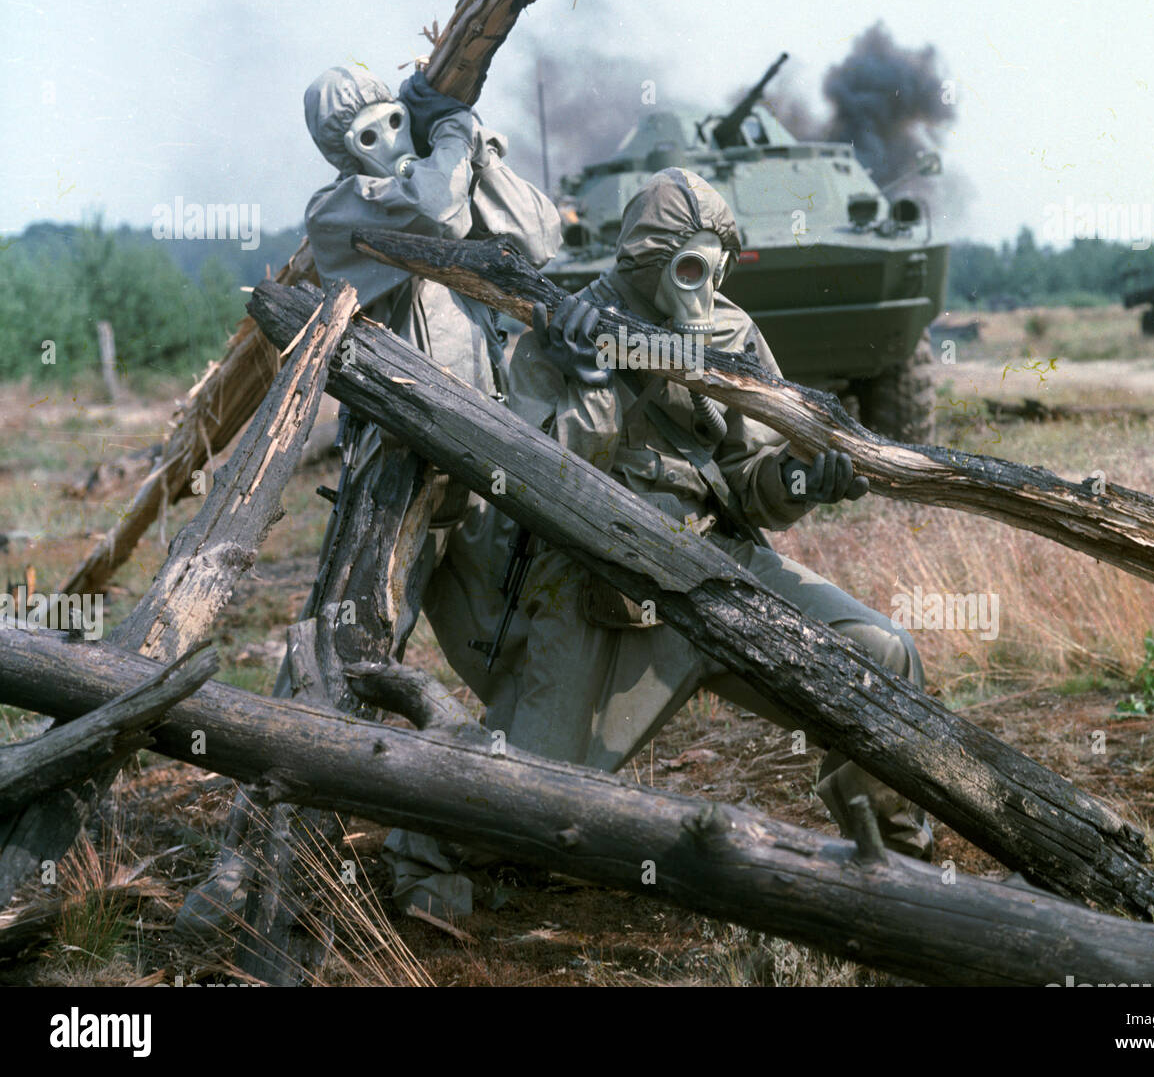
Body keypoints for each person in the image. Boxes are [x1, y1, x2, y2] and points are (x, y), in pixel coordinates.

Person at [428, 167, 933, 861]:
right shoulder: (561, 330)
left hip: (719, 567)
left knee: (881, 652)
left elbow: (751, 479)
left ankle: (896, 861)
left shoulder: (729, 328)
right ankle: (421, 865)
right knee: (515, 802)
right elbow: (538, 480)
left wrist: (802, 478)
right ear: (646, 259)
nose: (704, 286)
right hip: (599, 589)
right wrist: (597, 383)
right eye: (689, 266)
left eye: (714, 265)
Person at [303, 63, 562, 916]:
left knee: (513, 644)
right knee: (350, 660)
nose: (383, 145)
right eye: (362, 136)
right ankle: (293, 859)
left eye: (391, 123)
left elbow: (537, 239)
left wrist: (475, 139)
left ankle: (467, 841)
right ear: (338, 154)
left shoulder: (434, 171)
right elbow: (437, 213)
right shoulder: (340, 211)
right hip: (396, 472)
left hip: (481, 455)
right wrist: (447, 141)